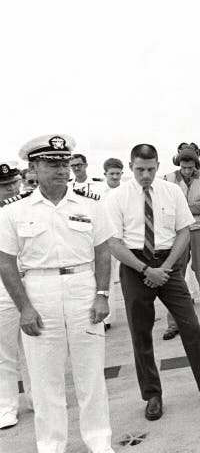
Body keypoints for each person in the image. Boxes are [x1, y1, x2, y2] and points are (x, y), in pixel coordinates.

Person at [0, 134, 116, 453]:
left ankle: (99, 440)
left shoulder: (91, 204)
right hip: (39, 291)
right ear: (34, 168)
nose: (62, 170)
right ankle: (51, 445)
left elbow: (103, 251)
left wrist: (102, 294)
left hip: (83, 288)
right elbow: (6, 262)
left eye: (64, 163)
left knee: (91, 373)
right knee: (44, 378)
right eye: (52, 164)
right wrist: (24, 307)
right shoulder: (14, 211)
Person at [104, 144, 200, 422]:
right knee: (141, 333)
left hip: (168, 264)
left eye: (150, 169)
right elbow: (114, 242)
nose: (145, 175)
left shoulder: (171, 192)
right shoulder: (116, 197)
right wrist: (145, 269)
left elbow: (184, 231)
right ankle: (152, 394)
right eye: (139, 169)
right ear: (130, 166)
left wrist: (165, 267)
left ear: (158, 166)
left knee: (191, 327)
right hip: (134, 265)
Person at [161, 147, 200, 338]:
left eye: (190, 167)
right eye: (183, 167)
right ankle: (174, 324)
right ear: (178, 164)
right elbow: (165, 207)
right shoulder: (167, 179)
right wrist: (191, 207)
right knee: (174, 278)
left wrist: (180, 206)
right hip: (177, 233)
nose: (187, 171)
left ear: (196, 164)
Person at [0, 161, 27, 430]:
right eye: (4, 186)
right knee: (4, 352)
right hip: (2, 289)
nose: (11, 189)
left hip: (31, 283)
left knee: (35, 348)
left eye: (13, 183)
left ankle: (38, 399)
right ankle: (6, 406)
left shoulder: (27, 207)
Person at [99, 158, 125, 329]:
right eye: (111, 174)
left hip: (126, 239)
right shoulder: (99, 193)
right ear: (105, 174)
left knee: (131, 277)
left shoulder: (128, 191)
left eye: (118, 173)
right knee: (106, 277)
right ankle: (106, 319)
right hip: (107, 238)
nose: (115, 177)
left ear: (122, 173)